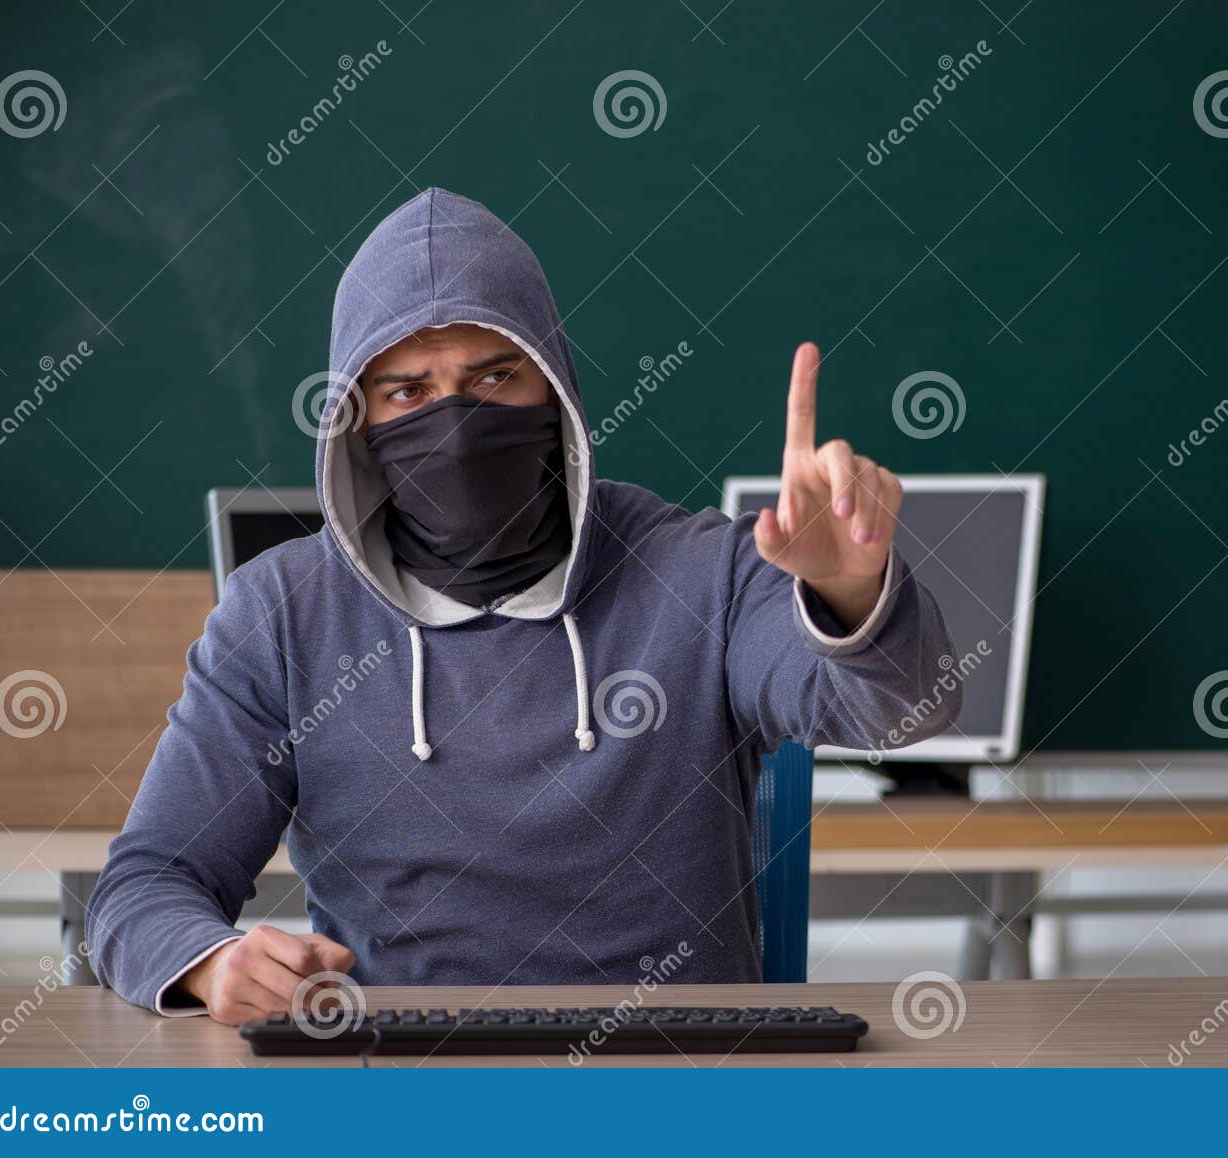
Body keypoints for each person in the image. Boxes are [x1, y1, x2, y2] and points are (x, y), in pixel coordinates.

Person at [86, 187, 958, 1024]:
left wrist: (849, 589)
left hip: (678, 1079)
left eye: (494, 376)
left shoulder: (705, 572)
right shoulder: (282, 615)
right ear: (357, 423)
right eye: (408, 393)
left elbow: (900, 711)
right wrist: (213, 963)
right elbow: (144, 885)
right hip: (400, 1083)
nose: (456, 425)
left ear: (555, 388)